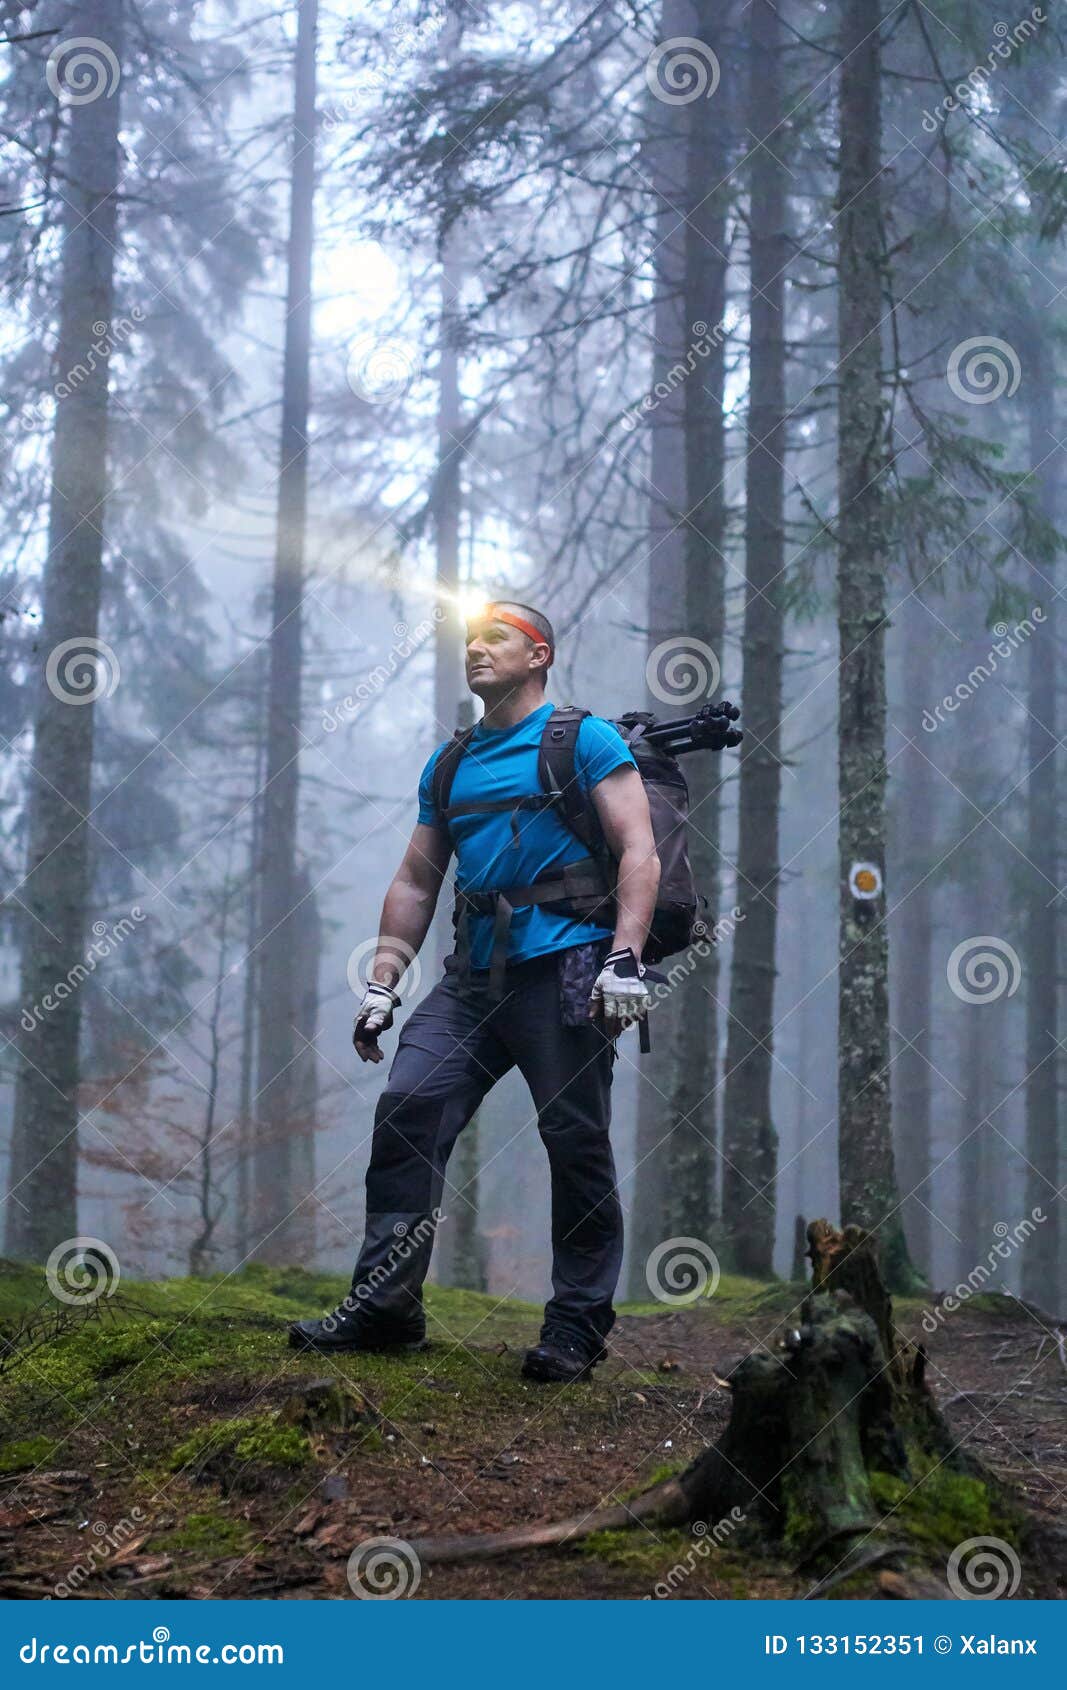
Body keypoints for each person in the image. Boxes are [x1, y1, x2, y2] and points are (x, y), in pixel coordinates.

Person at [289, 600, 661, 1382]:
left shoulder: (581, 739)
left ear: (539, 656)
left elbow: (638, 849)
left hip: (567, 968)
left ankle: (574, 1327)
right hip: (472, 981)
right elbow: (417, 878)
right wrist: (383, 984)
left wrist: (622, 959)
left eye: (496, 637)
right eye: (468, 640)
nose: (475, 649)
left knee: (574, 1140)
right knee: (410, 1106)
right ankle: (386, 1310)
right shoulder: (450, 762)